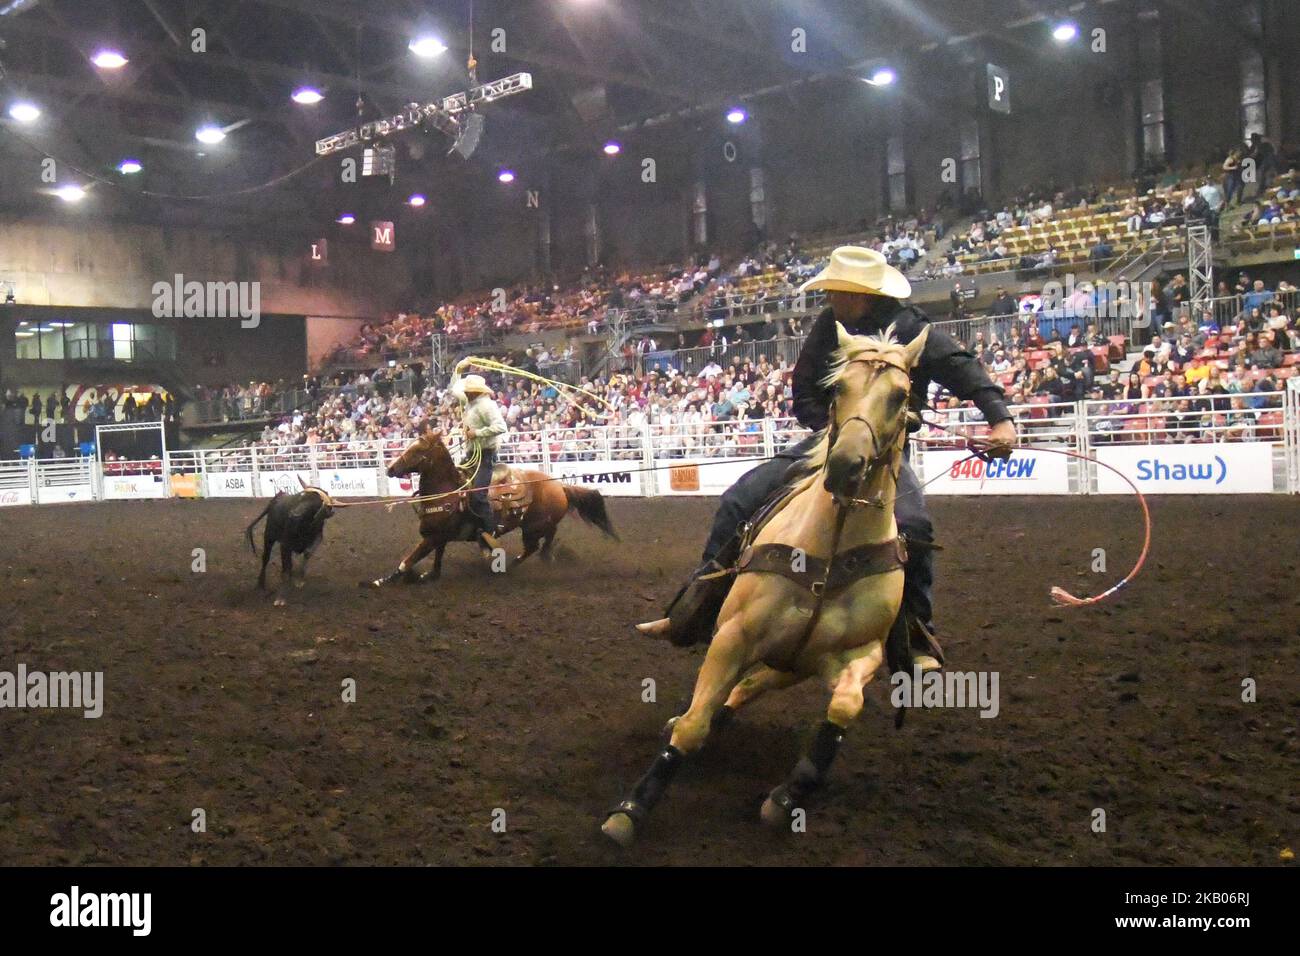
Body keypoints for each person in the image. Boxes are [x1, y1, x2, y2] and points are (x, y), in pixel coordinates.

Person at [638, 246, 1018, 672]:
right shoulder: (829, 325)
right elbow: (803, 392)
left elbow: (961, 367)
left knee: (913, 527)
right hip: (828, 441)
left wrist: (999, 420)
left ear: (862, 294)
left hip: (883, 456)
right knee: (738, 499)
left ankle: (914, 634)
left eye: (836, 291)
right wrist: (840, 429)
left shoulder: (911, 327)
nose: (830, 299)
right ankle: (697, 606)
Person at [452, 374, 507, 552]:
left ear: (475, 391)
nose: (465, 394)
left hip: (485, 456)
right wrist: (459, 369)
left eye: (468, 391)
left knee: (478, 495)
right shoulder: (471, 402)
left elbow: (500, 427)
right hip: (472, 455)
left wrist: (477, 433)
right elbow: (454, 390)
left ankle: (490, 533)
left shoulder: (486, 405)